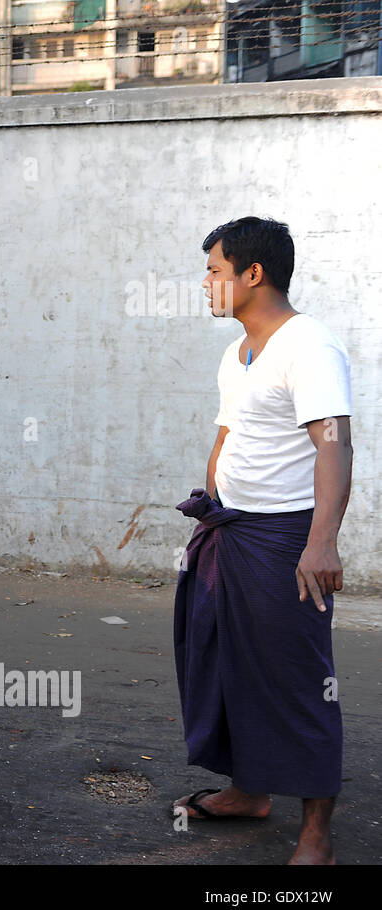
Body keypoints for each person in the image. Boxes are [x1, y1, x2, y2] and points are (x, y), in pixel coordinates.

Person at [172, 217, 352, 865]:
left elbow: (334, 444)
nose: (206, 283)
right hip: (231, 534)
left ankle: (316, 836)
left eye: (215, 270)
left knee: (300, 680)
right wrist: (211, 500)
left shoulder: (309, 345)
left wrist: (322, 542)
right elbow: (229, 437)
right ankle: (249, 789)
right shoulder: (237, 353)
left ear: (254, 274)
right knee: (228, 667)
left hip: (286, 542)